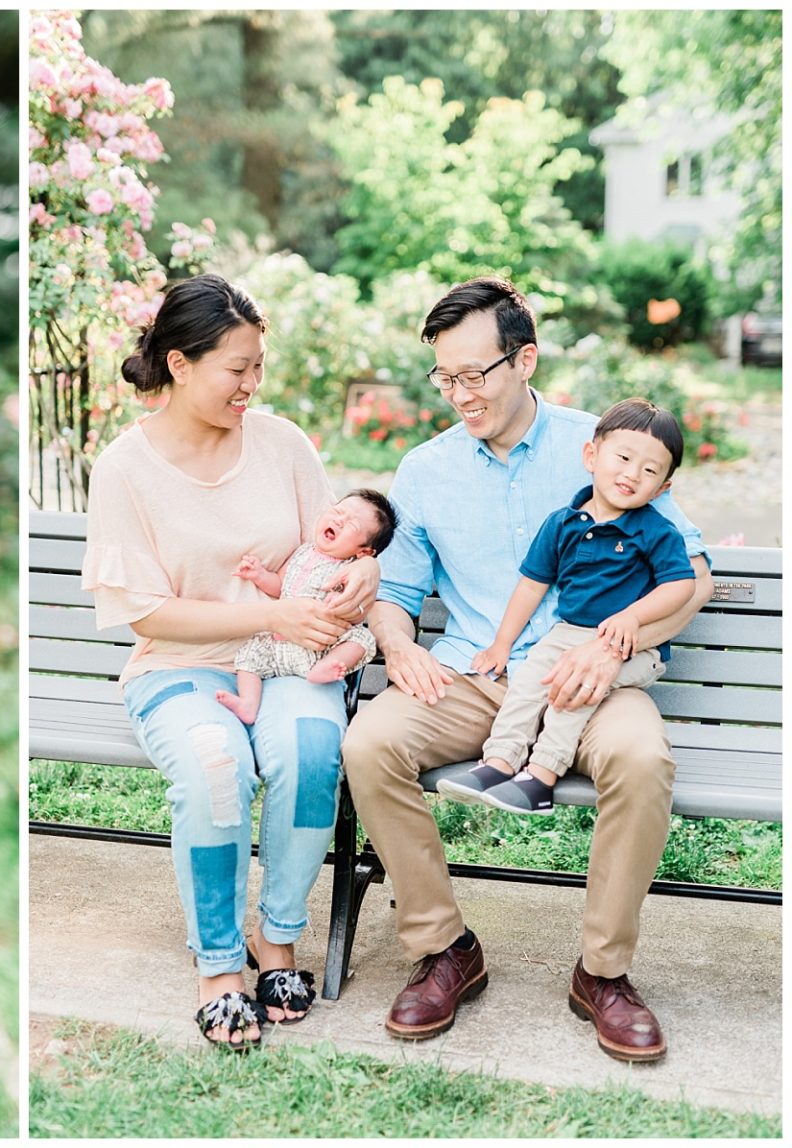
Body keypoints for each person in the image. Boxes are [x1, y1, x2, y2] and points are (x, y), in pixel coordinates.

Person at [341, 277, 711, 1064]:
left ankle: (603, 974)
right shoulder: (427, 468)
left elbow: (694, 579)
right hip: (479, 678)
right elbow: (395, 591)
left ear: (526, 359)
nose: (459, 393)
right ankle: (445, 950)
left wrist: (612, 647)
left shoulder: (608, 445)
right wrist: (400, 646)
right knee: (370, 743)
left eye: (475, 374)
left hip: (597, 679)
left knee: (643, 762)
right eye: (445, 377)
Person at [83, 273, 380, 1051]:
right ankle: (218, 967)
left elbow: (338, 542)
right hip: (177, 663)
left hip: (290, 660)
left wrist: (366, 572)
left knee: (311, 747)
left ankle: (278, 942)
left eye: (258, 367)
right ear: (179, 364)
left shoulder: (283, 444)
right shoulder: (124, 468)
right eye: (236, 368)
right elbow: (145, 612)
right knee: (216, 762)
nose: (252, 384)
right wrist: (271, 610)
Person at [442, 399, 695, 815]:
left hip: (633, 649)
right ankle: (499, 762)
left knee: (574, 691)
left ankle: (541, 776)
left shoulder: (654, 530)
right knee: (527, 684)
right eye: (624, 458)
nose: (632, 474)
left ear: (663, 487)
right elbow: (531, 586)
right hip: (567, 635)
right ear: (591, 456)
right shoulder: (563, 522)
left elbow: (681, 584)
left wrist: (633, 616)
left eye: (650, 470)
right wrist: (501, 645)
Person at [215, 489, 396, 724]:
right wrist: (259, 575)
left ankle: (325, 667)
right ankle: (248, 703)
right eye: (338, 511)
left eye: (352, 524)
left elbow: (352, 611)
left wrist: (339, 605)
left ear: (365, 551)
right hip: (279, 642)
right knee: (248, 658)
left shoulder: (350, 570)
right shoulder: (302, 552)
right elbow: (280, 585)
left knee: (362, 640)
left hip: (319, 644)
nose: (339, 520)